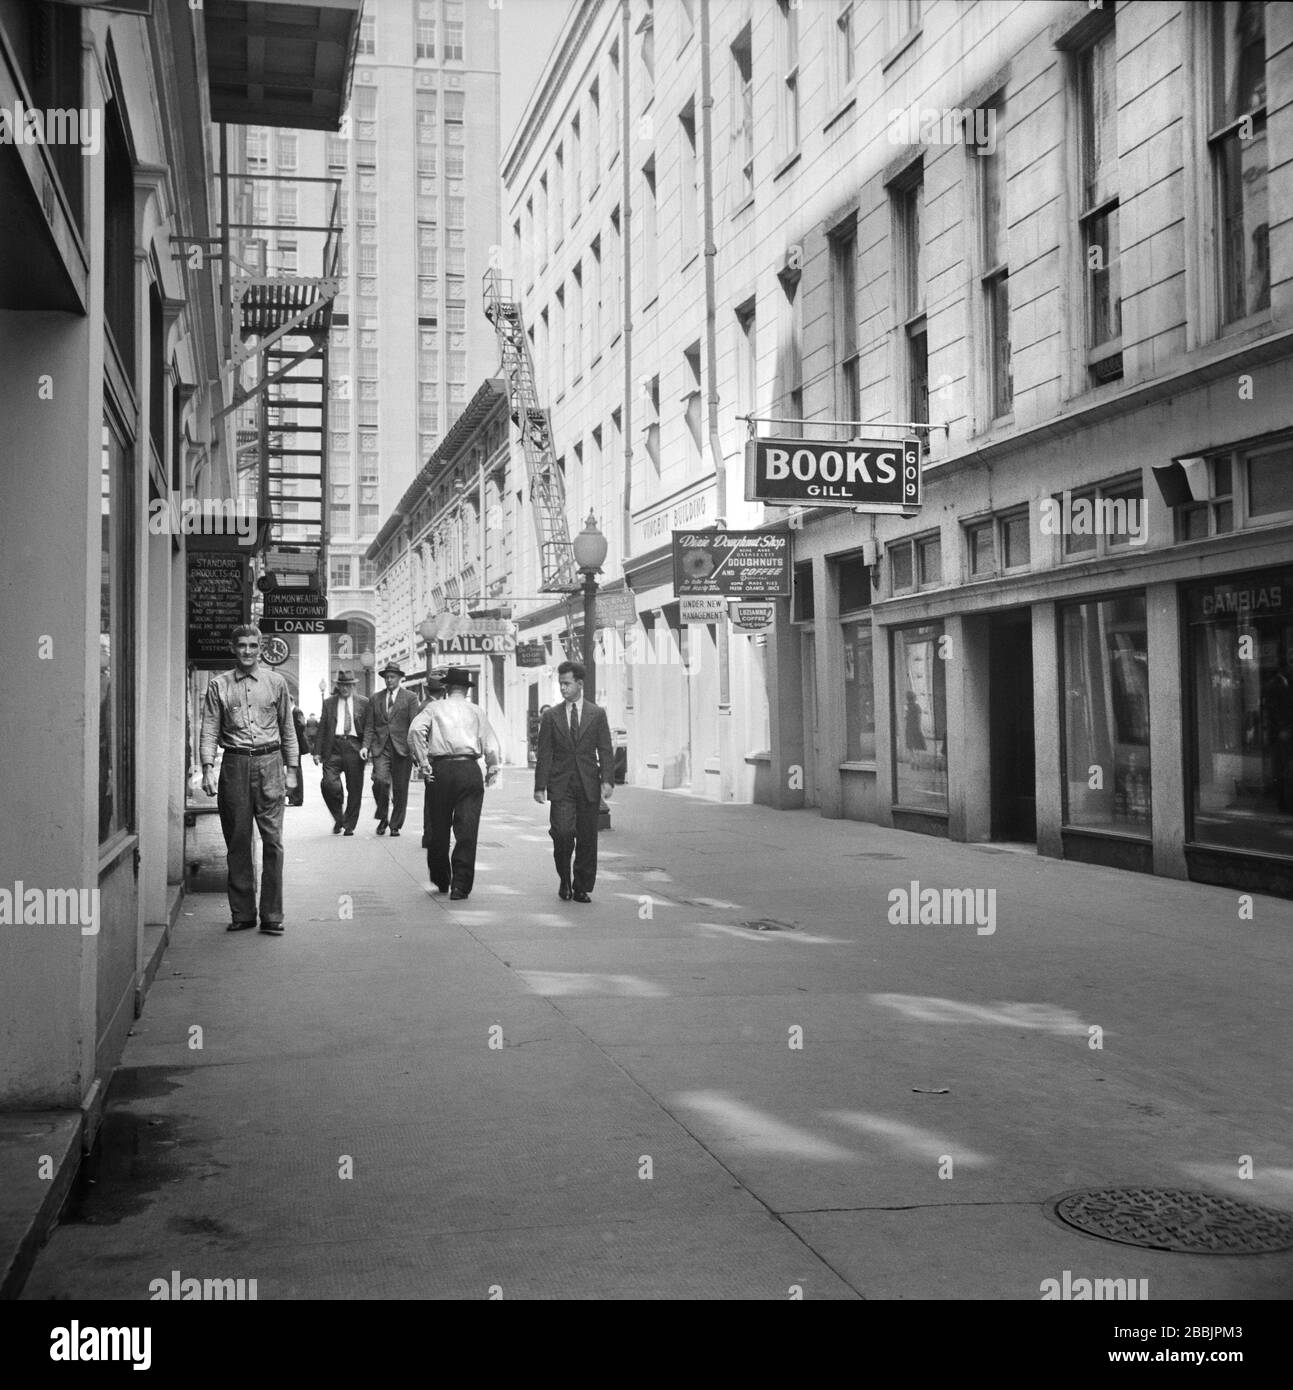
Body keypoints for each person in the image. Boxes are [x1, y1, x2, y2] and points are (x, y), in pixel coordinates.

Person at [198, 625, 300, 935]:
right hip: (235, 764)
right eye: (241, 645)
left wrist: (292, 769)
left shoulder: (276, 683)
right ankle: (242, 913)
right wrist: (207, 767)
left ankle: (272, 914)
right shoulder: (219, 686)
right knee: (238, 841)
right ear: (233, 648)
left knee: (273, 841)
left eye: (253, 645)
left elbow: (288, 728)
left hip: (270, 763)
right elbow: (210, 729)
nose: (247, 651)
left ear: (260, 649)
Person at [408, 668, 501, 900]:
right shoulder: (476, 710)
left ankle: (441, 878)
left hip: (440, 770)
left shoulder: (434, 708)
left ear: (447, 688)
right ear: (466, 690)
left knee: (438, 827)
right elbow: (490, 743)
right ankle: (460, 885)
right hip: (469, 769)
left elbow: (415, 731)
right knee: (467, 829)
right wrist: (492, 767)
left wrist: (423, 762)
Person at [533, 661, 614, 903]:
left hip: (588, 784)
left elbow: (605, 749)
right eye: (561, 684)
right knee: (562, 833)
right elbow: (545, 753)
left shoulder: (596, 714)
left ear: (579, 684)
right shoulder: (551, 716)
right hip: (561, 785)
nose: (563, 688)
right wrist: (540, 786)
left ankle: (581, 887)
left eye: (567, 683)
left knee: (587, 838)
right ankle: (564, 879)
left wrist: (607, 780)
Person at [361, 663, 419, 837]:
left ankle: (395, 824)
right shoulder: (375, 698)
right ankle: (383, 816)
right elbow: (369, 725)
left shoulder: (410, 697)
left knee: (400, 789)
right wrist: (365, 746)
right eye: (387, 677)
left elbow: (414, 726)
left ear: (399, 678)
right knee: (380, 781)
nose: (389, 680)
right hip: (381, 747)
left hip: (403, 749)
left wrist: (416, 750)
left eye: (392, 677)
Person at [314, 670, 369, 835]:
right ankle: (339, 817)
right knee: (328, 784)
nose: (345, 688)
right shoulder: (329, 703)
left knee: (355, 788)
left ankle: (349, 824)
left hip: (354, 748)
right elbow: (322, 727)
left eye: (348, 685)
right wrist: (317, 752)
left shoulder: (364, 702)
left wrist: (366, 747)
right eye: (342, 685)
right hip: (333, 749)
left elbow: (369, 728)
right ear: (337, 685)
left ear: (353, 686)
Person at [287, 705, 309, 807]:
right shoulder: (293, 711)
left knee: (296, 770)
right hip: (294, 743)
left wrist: (292, 734)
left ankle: (297, 798)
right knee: (293, 769)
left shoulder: (296, 711)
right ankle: (293, 798)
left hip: (296, 744)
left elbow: (302, 725)